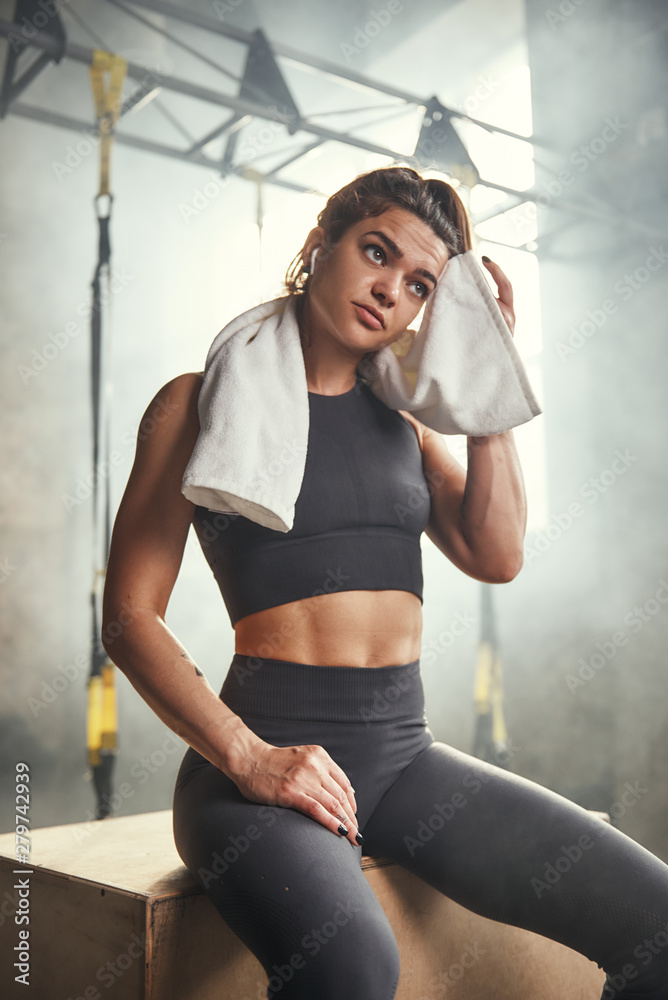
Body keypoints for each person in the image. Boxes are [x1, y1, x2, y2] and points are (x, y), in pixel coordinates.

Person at [102, 165, 668, 999]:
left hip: (403, 762)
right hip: (256, 769)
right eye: (376, 252)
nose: (389, 291)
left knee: (655, 919)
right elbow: (128, 617)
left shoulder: (401, 421)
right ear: (317, 244)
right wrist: (251, 759)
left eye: (419, 285)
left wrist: (489, 368)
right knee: (353, 966)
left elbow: (496, 553)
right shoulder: (201, 403)